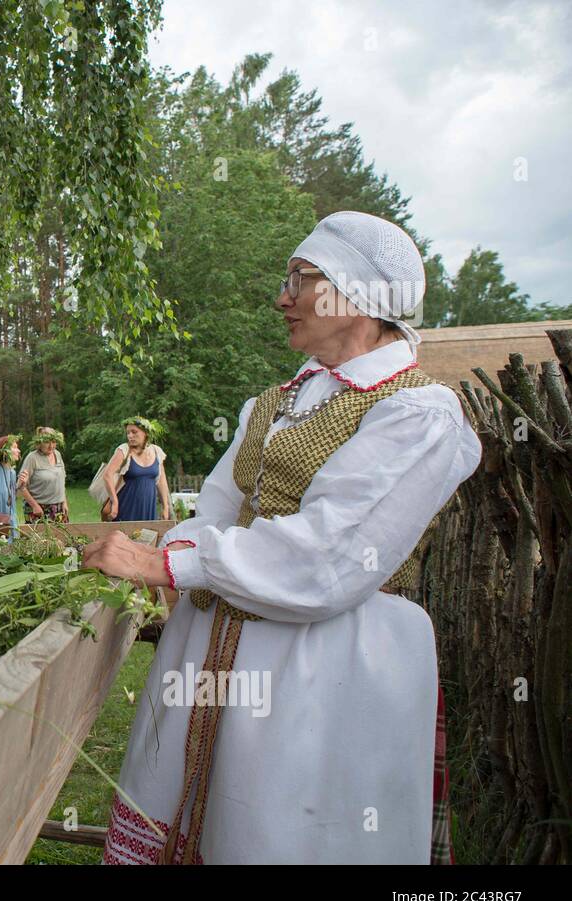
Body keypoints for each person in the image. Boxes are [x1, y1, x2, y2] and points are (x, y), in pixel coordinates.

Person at [83, 211, 482, 864]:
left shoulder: (417, 412)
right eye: (287, 277)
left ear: (361, 293)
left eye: (302, 278)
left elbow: (328, 558)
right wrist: (177, 558)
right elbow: (215, 509)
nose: (282, 296)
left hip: (329, 670)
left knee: (285, 831)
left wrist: (169, 565)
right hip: (218, 651)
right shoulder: (273, 402)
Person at [104, 417, 171, 522]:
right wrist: (115, 502)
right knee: (125, 537)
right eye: (128, 433)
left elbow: (162, 481)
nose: (130, 436)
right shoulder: (124, 450)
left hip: (148, 507)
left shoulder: (156, 451)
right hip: (126, 506)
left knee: (148, 536)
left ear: (146, 433)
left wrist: (165, 507)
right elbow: (107, 475)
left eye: (134, 432)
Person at [18, 427, 69, 523]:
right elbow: (21, 486)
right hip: (38, 509)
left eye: (53, 442)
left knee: (61, 537)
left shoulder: (57, 455)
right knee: (40, 537)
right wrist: (35, 506)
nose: (51, 446)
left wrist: (64, 502)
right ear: (39, 443)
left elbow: (61, 481)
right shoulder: (32, 458)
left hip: (58, 508)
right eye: (47, 442)